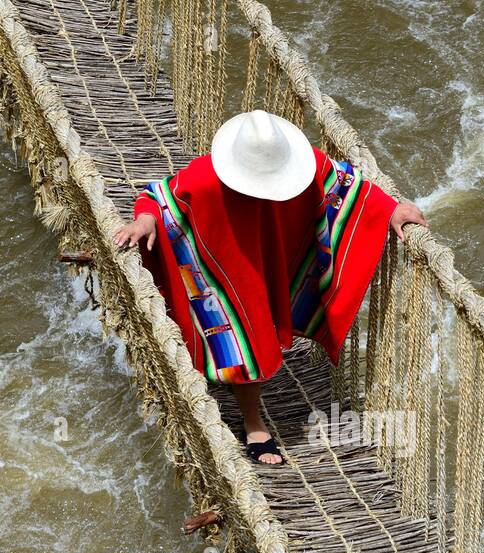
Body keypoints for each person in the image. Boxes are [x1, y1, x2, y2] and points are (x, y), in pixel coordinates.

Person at [114, 110, 427, 465]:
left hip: (274, 249)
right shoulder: (203, 177)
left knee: (258, 323)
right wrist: (144, 221)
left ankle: (242, 386)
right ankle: (254, 423)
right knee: (248, 334)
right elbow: (158, 197)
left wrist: (390, 210)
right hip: (226, 256)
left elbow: (344, 185)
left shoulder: (305, 165)